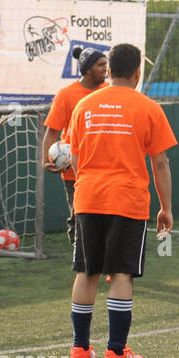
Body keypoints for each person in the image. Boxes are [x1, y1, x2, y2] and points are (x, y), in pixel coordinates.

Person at [65, 43, 176, 358]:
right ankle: (116, 353)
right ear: (138, 72)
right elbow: (160, 163)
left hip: (86, 197)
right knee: (121, 273)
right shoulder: (149, 107)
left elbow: (74, 157)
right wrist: (166, 207)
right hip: (127, 200)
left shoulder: (84, 105)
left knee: (87, 271)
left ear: (109, 70)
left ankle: (80, 349)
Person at [42, 46, 108, 243]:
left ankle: (100, 256)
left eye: (106, 64)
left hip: (104, 166)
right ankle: (80, 255)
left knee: (104, 214)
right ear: (88, 69)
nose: (106, 69)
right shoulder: (66, 95)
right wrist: (46, 159)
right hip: (74, 169)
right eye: (101, 65)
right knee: (80, 213)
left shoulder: (108, 91)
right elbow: (52, 131)